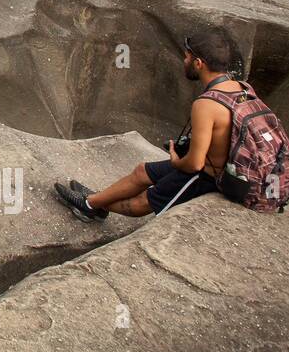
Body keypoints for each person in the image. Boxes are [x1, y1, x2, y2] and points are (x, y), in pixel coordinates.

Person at [55, 28, 246, 221]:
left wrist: (175, 160)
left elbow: (195, 163)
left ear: (199, 63)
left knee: (142, 201)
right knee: (142, 172)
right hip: (214, 164)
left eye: (187, 58)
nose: (184, 61)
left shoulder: (206, 105)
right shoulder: (241, 88)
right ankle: (95, 200)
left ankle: (90, 204)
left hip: (208, 177)